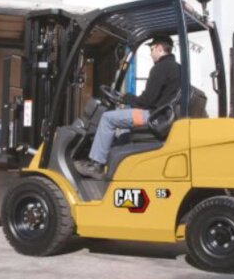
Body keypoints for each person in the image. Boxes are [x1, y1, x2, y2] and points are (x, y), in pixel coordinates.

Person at [75, 35, 181, 179]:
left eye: (151, 49)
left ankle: (96, 164)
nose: (150, 54)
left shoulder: (160, 68)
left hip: (153, 116)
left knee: (107, 118)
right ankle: (115, 159)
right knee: (124, 125)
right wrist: (125, 100)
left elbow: (146, 100)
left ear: (159, 48)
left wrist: (125, 97)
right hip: (163, 116)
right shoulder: (177, 68)